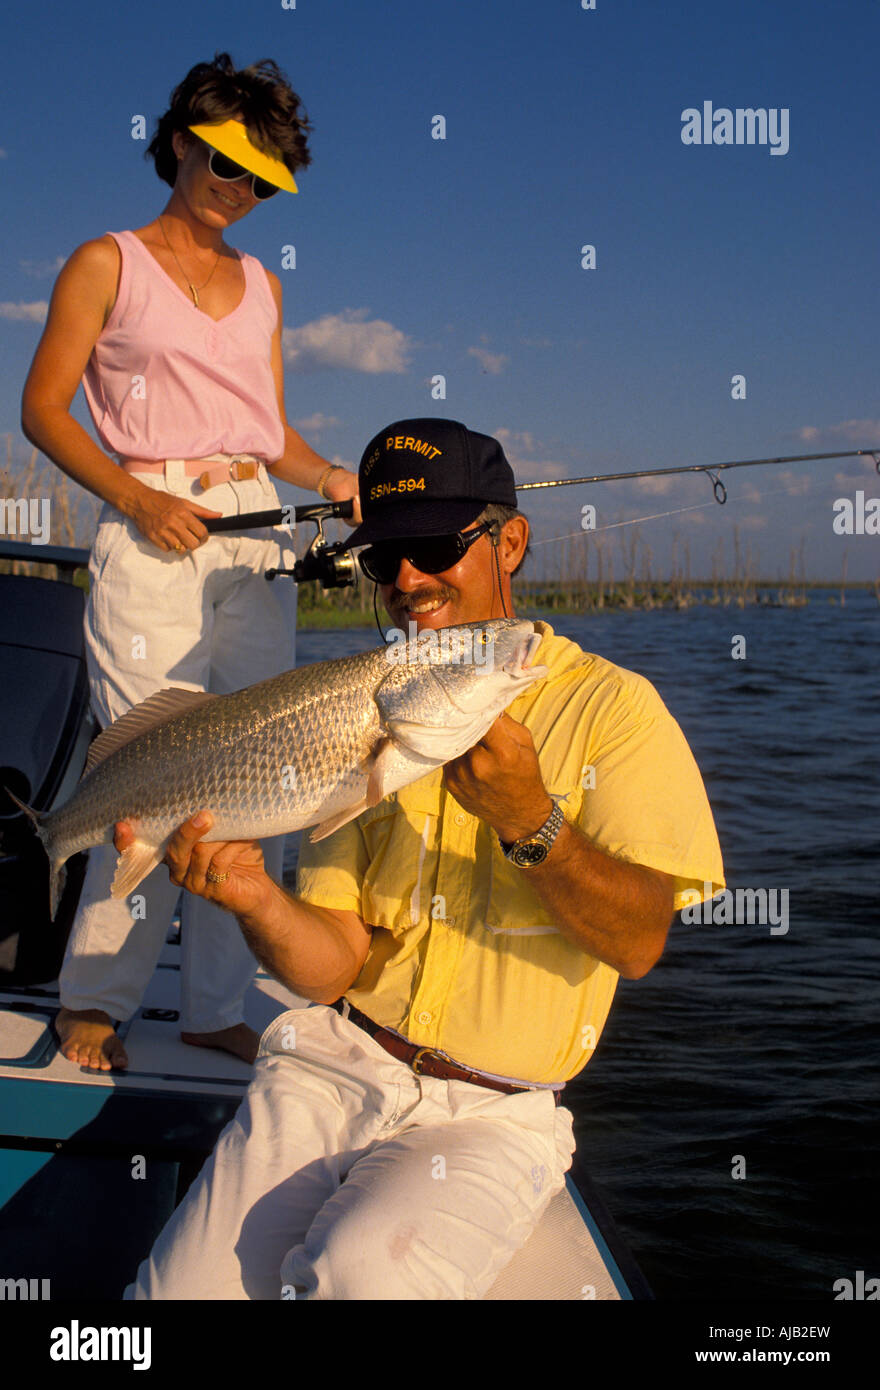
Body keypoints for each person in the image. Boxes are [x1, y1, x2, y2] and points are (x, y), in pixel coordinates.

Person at [122, 417, 725, 1300]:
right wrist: (256, 902)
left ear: (510, 541)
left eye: (435, 544)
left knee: (360, 1278)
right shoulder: (365, 706)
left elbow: (639, 940)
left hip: (488, 1113)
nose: (407, 580)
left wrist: (531, 821)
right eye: (382, 556)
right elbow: (334, 966)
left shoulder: (618, 712)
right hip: (334, 1061)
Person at [20, 54, 360, 1072]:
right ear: (179, 141)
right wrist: (135, 497)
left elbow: (270, 434)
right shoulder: (105, 261)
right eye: (225, 165)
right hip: (151, 522)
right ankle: (96, 999)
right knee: (146, 770)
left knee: (260, 778)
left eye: (261, 181)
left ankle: (217, 1002)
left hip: (256, 535)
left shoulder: (264, 285)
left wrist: (335, 474)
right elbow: (42, 408)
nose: (239, 192)